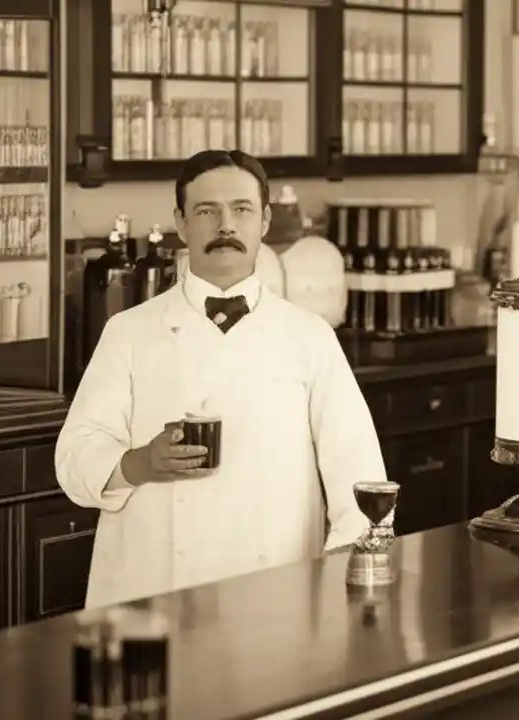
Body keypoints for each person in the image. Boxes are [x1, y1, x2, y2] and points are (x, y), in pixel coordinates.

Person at [55, 149, 387, 609]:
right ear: (181, 222)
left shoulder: (310, 337)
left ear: (265, 221)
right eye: (206, 211)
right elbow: (73, 459)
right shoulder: (129, 332)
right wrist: (140, 463)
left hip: (275, 597)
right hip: (153, 593)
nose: (225, 226)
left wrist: (345, 587)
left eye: (241, 210)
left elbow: (361, 477)